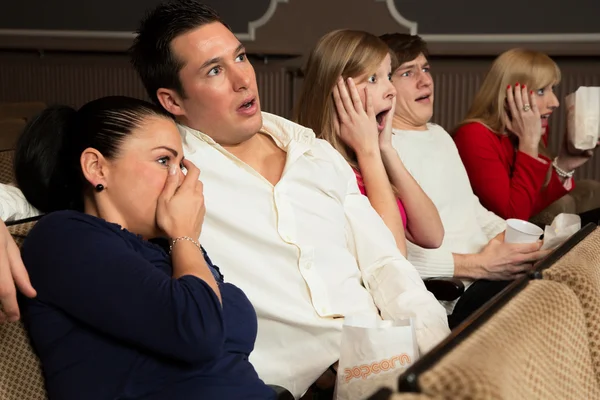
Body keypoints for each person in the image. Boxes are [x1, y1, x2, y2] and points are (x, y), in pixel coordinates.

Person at [0, 2, 450, 397]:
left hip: (390, 364)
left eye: (241, 56)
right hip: (296, 386)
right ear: (171, 100)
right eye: (214, 70)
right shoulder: (165, 167)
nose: (242, 80)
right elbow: (45, 190)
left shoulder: (314, 151)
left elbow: (385, 262)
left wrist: (435, 346)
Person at [13, 96, 276, 399]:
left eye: (181, 164)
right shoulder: (63, 237)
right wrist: (185, 236)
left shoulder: (168, 247)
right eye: (164, 160)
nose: (180, 178)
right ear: (97, 168)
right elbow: (198, 332)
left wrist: (181, 241)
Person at [379, 33, 549, 328]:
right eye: (408, 72)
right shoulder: (382, 149)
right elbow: (390, 254)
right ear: (384, 84)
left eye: (426, 69)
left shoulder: (439, 135)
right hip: (451, 295)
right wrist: (481, 265)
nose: (425, 81)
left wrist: (507, 239)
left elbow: (472, 209)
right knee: (550, 303)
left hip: (488, 273)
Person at [295, 29, 444, 257]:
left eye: (389, 75)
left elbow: (432, 236)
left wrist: (385, 148)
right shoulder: (321, 166)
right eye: (374, 79)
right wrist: (369, 152)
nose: (391, 90)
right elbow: (395, 260)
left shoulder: (369, 155)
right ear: (336, 93)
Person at [453, 48, 598, 221]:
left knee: (591, 189)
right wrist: (528, 144)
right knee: (562, 205)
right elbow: (512, 216)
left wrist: (565, 164)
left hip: (520, 213)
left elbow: (533, 200)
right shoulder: (473, 135)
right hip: (494, 231)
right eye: (541, 91)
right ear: (510, 95)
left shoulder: (532, 128)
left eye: (553, 89)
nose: (555, 103)